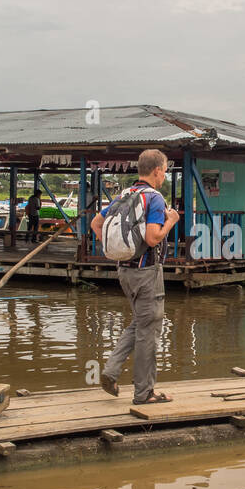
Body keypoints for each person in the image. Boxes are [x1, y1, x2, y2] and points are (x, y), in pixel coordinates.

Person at [91, 149, 179, 405]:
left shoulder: (124, 195)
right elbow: (153, 237)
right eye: (164, 170)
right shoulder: (155, 198)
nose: (165, 175)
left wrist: (115, 250)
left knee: (140, 323)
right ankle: (144, 393)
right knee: (149, 331)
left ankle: (110, 370)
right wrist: (171, 221)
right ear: (156, 171)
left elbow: (97, 224)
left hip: (125, 271)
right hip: (146, 272)